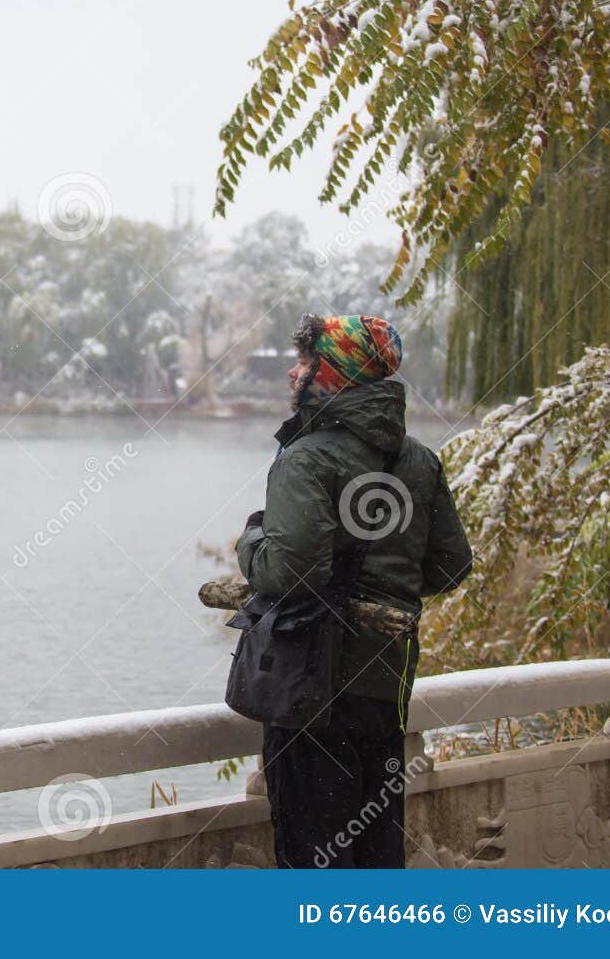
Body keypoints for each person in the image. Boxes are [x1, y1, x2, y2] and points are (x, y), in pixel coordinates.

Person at [236, 313, 471, 868]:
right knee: (375, 857)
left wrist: (250, 542)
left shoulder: (308, 457)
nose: (294, 372)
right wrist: (385, 581)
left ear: (332, 377)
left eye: (305, 363)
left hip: (312, 695)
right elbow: (450, 566)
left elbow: (291, 571)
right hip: (385, 690)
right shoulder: (418, 459)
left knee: (314, 863)